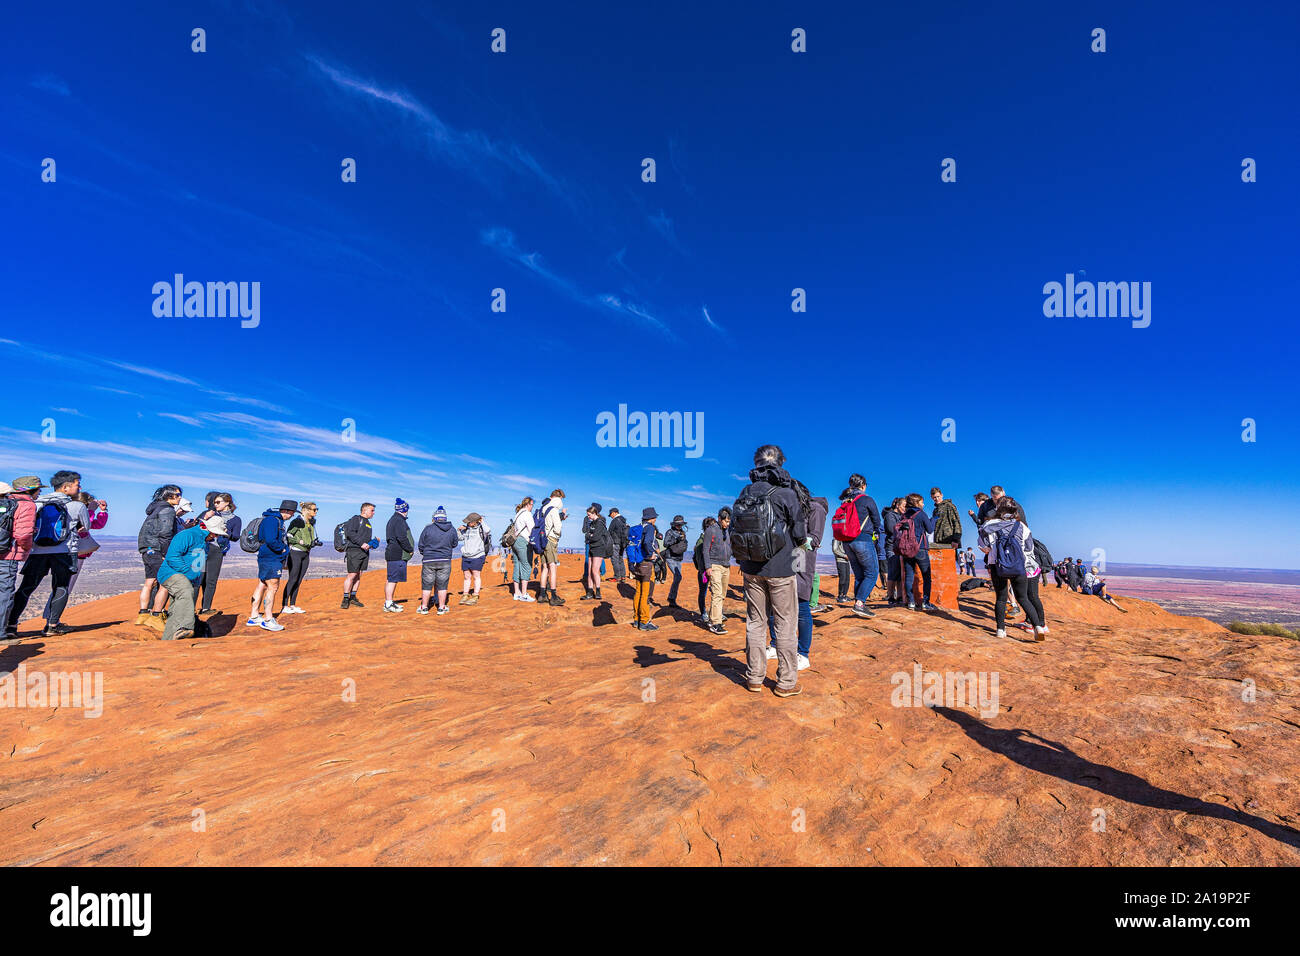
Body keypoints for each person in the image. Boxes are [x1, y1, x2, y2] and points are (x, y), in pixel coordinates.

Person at [733, 445, 807, 698]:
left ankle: (754, 678)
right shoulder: (785, 494)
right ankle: (786, 682)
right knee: (785, 624)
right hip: (781, 569)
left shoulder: (745, 491)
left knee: (755, 622)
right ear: (779, 464)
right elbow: (799, 533)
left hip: (750, 568)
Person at [7, 470, 90, 638]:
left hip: (37, 552)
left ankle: (10, 626)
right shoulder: (77, 506)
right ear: (66, 487)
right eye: (77, 484)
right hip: (64, 552)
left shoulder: (36, 503)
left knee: (26, 588)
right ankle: (52, 625)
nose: (79, 488)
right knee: (61, 587)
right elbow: (85, 528)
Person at [768, 481, 827, 671]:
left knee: (801, 606)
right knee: (776, 605)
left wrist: (794, 540)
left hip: (801, 559)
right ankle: (776, 644)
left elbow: (814, 539)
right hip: (783, 558)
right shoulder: (789, 510)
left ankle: (803, 654)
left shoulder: (816, 509)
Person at [978, 497, 1047, 640]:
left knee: (1001, 599)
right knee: (1023, 598)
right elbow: (1029, 548)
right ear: (1014, 510)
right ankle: (1038, 627)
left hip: (997, 566)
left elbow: (984, 546)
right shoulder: (1022, 527)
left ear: (998, 509)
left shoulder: (988, 525)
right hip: (1018, 566)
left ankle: (1000, 630)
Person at [158, 514, 226, 640]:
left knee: (177, 609)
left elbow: (198, 565)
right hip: (170, 573)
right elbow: (172, 557)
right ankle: (186, 627)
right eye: (215, 533)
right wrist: (188, 573)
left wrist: (195, 581)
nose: (216, 537)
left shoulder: (205, 543)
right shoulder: (187, 535)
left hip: (187, 578)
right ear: (207, 528)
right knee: (185, 590)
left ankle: (167, 641)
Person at [42, 490, 107, 621]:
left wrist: (103, 512)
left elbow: (97, 524)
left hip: (76, 554)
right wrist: (91, 510)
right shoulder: (72, 513)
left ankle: (51, 616)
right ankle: (52, 618)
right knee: (64, 587)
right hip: (72, 553)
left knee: (64, 587)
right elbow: (84, 524)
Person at [136, 484, 182, 631]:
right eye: (177, 494)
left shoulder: (155, 508)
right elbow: (165, 533)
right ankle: (156, 616)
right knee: (165, 583)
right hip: (157, 549)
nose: (180, 497)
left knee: (150, 581)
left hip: (147, 549)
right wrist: (166, 554)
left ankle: (143, 615)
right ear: (169, 496)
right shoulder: (167, 510)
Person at [1, 476, 41, 640]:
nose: (39, 493)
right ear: (31, 490)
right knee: (4, 592)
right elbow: (23, 534)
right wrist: (26, 547)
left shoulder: (6, 502)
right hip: (7, 554)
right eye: (39, 489)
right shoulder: (26, 505)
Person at [246, 499, 296, 632]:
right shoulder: (273, 520)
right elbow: (270, 540)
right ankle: (268, 619)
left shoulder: (273, 519)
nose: (292, 516)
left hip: (267, 557)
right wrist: (283, 548)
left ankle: (254, 616)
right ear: (287, 511)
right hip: (271, 558)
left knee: (262, 584)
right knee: (273, 587)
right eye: (292, 513)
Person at [842, 473, 883, 619]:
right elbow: (877, 521)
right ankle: (859, 604)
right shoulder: (867, 499)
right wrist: (878, 534)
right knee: (872, 573)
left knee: (859, 574)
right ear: (863, 486)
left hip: (846, 542)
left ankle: (859, 603)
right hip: (863, 540)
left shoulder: (846, 500)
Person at [197, 492, 241, 615]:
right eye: (214, 502)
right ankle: (189, 608)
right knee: (197, 579)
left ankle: (206, 608)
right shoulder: (209, 513)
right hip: (201, 549)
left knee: (211, 580)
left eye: (218, 502)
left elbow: (236, 537)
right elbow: (196, 527)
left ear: (227, 503)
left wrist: (225, 532)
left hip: (217, 550)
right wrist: (205, 518)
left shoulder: (235, 519)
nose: (215, 505)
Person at [898, 493, 938, 612]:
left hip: (906, 549)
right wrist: (934, 519)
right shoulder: (921, 514)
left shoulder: (904, 515)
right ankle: (925, 603)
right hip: (920, 548)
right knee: (926, 576)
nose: (923, 504)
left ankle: (911, 602)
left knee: (909, 576)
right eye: (922, 502)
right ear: (917, 503)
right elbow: (930, 529)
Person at [417, 506, 458, 615]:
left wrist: (426, 554)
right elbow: (455, 544)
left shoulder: (428, 528)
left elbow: (421, 544)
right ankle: (441, 607)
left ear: (435, 518)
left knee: (426, 585)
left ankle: (424, 607)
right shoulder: (452, 529)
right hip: (445, 560)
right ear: (445, 518)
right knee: (443, 585)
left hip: (428, 560)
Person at [282, 501, 320, 613]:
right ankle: (284, 606)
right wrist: (299, 541)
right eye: (314, 509)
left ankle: (293, 604)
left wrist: (312, 542)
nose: (316, 511)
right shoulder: (297, 521)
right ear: (306, 510)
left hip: (306, 553)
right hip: (295, 553)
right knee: (293, 578)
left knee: (298, 580)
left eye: (316, 509)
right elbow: (288, 535)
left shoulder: (311, 523)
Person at [340, 503, 377, 609]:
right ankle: (345, 599)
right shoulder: (356, 519)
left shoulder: (368, 523)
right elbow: (350, 533)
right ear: (364, 510)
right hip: (354, 551)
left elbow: (364, 538)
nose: (373, 513)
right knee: (351, 575)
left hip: (364, 552)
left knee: (359, 575)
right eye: (372, 510)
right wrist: (361, 543)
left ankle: (353, 597)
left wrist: (373, 543)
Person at [630, 507, 660, 630]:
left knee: (638, 591)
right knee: (645, 593)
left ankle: (636, 619)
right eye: (655, 517)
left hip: (637, 562)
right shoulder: (650, 528)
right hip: (646, 563)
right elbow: (648, 542)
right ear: (652, 518)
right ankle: (644, 621)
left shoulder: (638, 527)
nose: (656, 519)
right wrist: (650, 555)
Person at [702, 508, 731, 634]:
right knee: (717, 593)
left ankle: (712, 618)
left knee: (722, 594)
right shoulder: (711, 530)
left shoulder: (728, 531)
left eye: (729, 522)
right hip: (714, 565)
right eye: (726, 521)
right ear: (719, 519)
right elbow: (705, 549)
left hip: (726, 565)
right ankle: (716, 623)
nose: (727, 524)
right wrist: (708, 567)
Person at [536, 490, 567, 606]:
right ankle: (553, 597)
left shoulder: (543, 508)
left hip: (542, 540)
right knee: (552, 568)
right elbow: (558, 527)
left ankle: (542, 595)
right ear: (558, 498)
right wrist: (556, 536)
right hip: (550, 540)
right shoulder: (553, 509)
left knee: (544, 568)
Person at [383, 499, 414, 613]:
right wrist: (410, 550)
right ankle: (388, 604)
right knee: (393, 579)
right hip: (397, 554)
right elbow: (402, 538)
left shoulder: (394, 519)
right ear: (404, 509)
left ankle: (389, 602)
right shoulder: (398, 520)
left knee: (391, 578)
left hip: (393, 554)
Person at [457, 512, 491, 606]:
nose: (467, 523)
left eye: (469, 522)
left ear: (474, 522)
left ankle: (475, 595)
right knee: (466, 577)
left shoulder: (481, 528)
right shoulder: (466, 529)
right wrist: (459, 530)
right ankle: (465, 594)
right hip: (466, 556)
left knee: (476, 576)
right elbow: (460, 538)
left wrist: (482, 521)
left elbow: (488, 530)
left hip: (477, 556)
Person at [506, 498, 536, 602]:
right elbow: (532, 529)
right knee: (526, 565)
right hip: (524, 542)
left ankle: (516, 593)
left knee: (517, 565)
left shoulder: (517, 514)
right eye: (532, 504)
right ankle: (524, 594)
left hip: (514, 542)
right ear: (528, 504)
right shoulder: (527, 514)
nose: (532, 507)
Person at [581, 503, 611, 601]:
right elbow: (588, 534)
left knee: (594, 570)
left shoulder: (600, 522)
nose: (588, 517)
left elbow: (596, 537)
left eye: (589, 515)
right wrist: (590, 536)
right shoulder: (593, 522)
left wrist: (590, 536)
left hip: (599, 548)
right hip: (592, 548)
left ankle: (598, 591)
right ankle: (589, 592)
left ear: (594, 513)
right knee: (590, 571)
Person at [930, 487, 962, 570]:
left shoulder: (949, 506)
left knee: (949, 566)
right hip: (938, 541)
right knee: (941, 566)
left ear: (941, 495)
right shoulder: (935, 510)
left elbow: (956, 522)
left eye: (938, 496)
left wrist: (956, 540)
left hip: (949, 540)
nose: (936, 499)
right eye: (934, 497)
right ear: (931, 498)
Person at [881, 497, 906, 605]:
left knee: (900, 573)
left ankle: (900, 596)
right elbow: (892, 529)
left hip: (901, 547)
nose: (905, 508)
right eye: (904, 506)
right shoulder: (890, 515)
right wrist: (904, 527)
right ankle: (891, 596)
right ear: (897, 505)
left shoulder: (902, 516)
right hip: (892, 547)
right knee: (892, 572)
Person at [661, 515, 689, 607]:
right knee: (678, 577)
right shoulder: (669, 532)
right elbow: (665, 543)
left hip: (679, 558)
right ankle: (671, 598)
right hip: (670, 557)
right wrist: (675, 540)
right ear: (674, 524)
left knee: (677, 578)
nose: (679, 526)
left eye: (680, 525)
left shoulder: (682, 532)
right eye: (678, 525)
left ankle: (672, 599)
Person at [607, 508, 628, 583]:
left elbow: (609, 532)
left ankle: (617, 577)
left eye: (611, 515)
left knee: (614, 559)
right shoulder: (623, 520)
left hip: (615, 542)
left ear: (614, 513)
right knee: (620, 559)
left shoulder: (615, 521)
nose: (611, 516)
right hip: (622, 543)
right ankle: (623, 576)